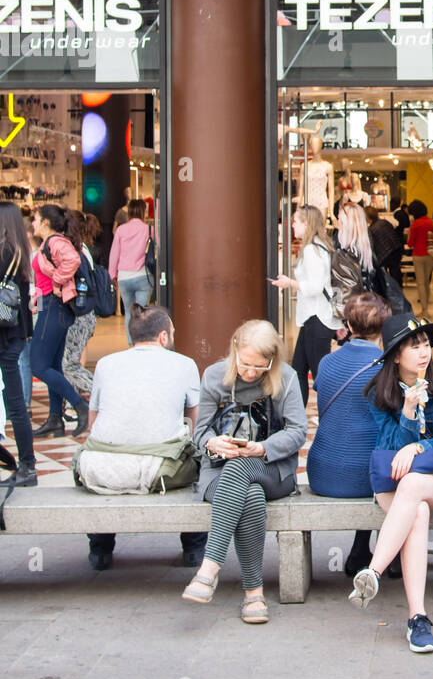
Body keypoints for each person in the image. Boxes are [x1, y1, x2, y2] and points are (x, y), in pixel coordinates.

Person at [181, 320, 307, 624]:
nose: (250, 373)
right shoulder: (213, 376)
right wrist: (213, 443)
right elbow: (199, 435)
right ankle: (254, 594)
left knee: (242, 468)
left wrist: (262, 448)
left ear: (272, 362)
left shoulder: (286, 378)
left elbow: (298, 431)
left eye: (259, 367)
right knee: (249, 493)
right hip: (218, 472)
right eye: (245, 364)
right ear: (234, 350)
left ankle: (209, 568)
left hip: (272, 469)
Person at [347, 314, 433, 654]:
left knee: (414, 487)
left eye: (426, 345)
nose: (424, 352)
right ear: (396, 355)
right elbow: (388, 447)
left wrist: (418, 445)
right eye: (414, 347)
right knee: (418, 513)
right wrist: (409, 413)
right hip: (390, 483)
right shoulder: (378, 391)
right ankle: (417, 618)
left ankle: (375, 571)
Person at [76, 303, 207, 570]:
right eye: (172, 331)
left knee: (88, 453)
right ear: (163, 337)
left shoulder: (105, 364)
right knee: (200, 459)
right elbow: (195, 425)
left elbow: (93, 423)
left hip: (98, 469)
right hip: (160, 472)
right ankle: (193, 545)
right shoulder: (185, 364)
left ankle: (100, 547)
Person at [306, 291, 390, 577]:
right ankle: (389, 552)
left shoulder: (327, 363)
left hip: (321, 471)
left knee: (358, 444)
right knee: (387, 457)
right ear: (384, 327)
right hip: (367, 478)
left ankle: (360, 549)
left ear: (349, 327)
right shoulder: (387, 367)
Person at [270, 205, 343, 407]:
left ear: (306, 223)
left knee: (316, 375)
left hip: (316, 318)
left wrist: (289, 283)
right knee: (299, 370)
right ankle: (298, 419)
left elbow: (315, 287)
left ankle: (328, 417)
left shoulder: (312, 249)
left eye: (296, 221)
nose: (292, 225)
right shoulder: (320, 246)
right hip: (316, 318)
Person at [31, 205, 88, 438]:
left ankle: (80, 406)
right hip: (51, 307)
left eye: (35, 219)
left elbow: (73, 260)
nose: (32, 223)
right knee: (52, 365)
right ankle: (55, 418)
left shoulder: (55, 241)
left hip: (54, 307)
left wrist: (57, 279)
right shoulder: (50, 243)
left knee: (38, 365)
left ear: (45, 222)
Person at [0, 200, 35, 484]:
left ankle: (27, 465)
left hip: (4, 335)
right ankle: (26, 464)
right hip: (15, 334)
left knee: (14, 405)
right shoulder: (21, 252)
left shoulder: (3, 254)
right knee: (14, 404)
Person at [62, 212, 102, 400]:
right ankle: (72, 404)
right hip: (84, 313)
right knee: (69, 362)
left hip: (80, 313)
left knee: (69, 365)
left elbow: (80, 285)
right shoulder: (82, 249)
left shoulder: (75, 252)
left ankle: (105, 395)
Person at [108, 198, 153, 344]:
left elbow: (114, 253)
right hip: (142, 276)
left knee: (128, 311)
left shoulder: (121, 230)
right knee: (141, 312)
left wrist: (112, 274)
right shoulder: (149, 229)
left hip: (124, 277)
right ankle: (142, 342)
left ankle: (131, 343)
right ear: (143, 212)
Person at [405, 200, 433, 317]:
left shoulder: (415, 225)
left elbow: (410, 243)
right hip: (430, 255)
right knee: (426, 281)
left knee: (421, 283)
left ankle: (424, 309)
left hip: (418, 255)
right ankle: (425, 309)